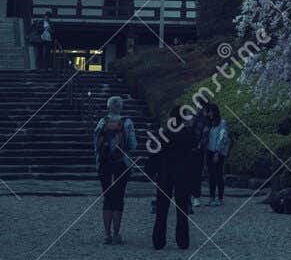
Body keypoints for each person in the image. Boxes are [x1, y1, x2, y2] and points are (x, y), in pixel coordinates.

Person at [148, 115, 204, 250]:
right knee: (182, 209)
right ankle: (183, 241)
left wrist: (152, 169)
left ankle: (158, 241)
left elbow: (155, 152)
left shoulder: (165, 134)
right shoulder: (188, 135)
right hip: (182, 173)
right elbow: (195, 149)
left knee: (162, 209)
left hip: (165, 172)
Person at [93, 94, 136, 244]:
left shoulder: (101, 122)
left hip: (104, 164)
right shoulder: (127, 122)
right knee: (119, 198)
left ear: (108, 107)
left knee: (107, 197)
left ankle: (107, 234)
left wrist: (98, 162)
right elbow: (133, 145)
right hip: (121, 164)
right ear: (121, 107)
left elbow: (95, 145)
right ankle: (117, 234)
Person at [204, 102, 231, 205]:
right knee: (211, 176)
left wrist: (217, 152)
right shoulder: (208, 124)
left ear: (216, 111)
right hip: (209, 151)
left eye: (212, 111)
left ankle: (220, 198)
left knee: (218, 175)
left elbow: (223, 138)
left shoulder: (222, 123)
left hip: (218, 152)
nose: (210, 113)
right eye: (209, 111)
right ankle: (211, 198)